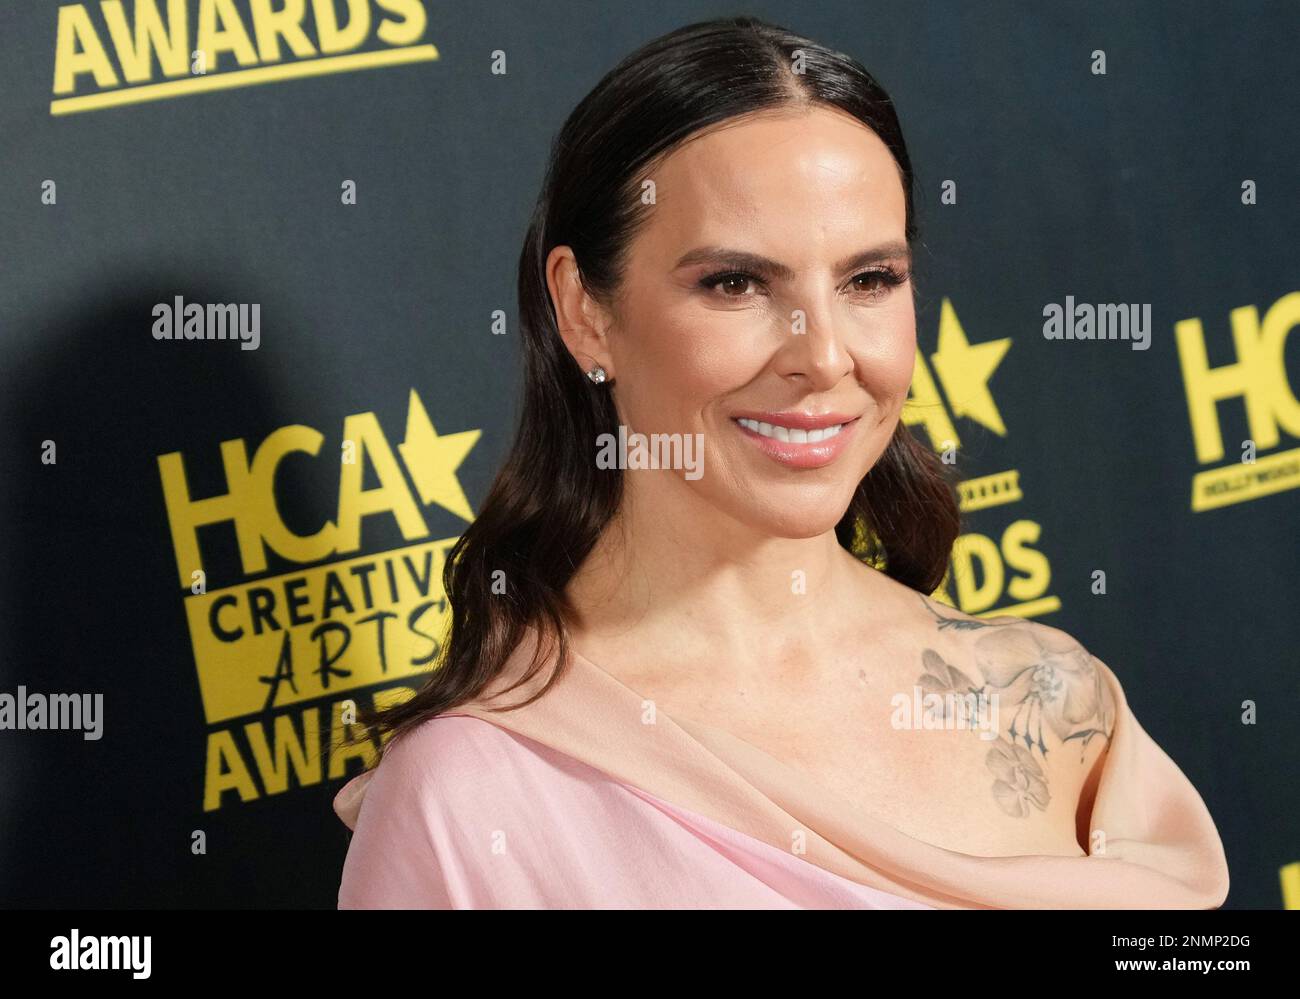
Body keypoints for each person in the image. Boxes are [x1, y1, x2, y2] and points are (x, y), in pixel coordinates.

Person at [331, 15, 1229, 909]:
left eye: (869, 280)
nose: (825, 355)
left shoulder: (1050, 696)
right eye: (735, 283)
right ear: (583, 311)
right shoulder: (476, 796)